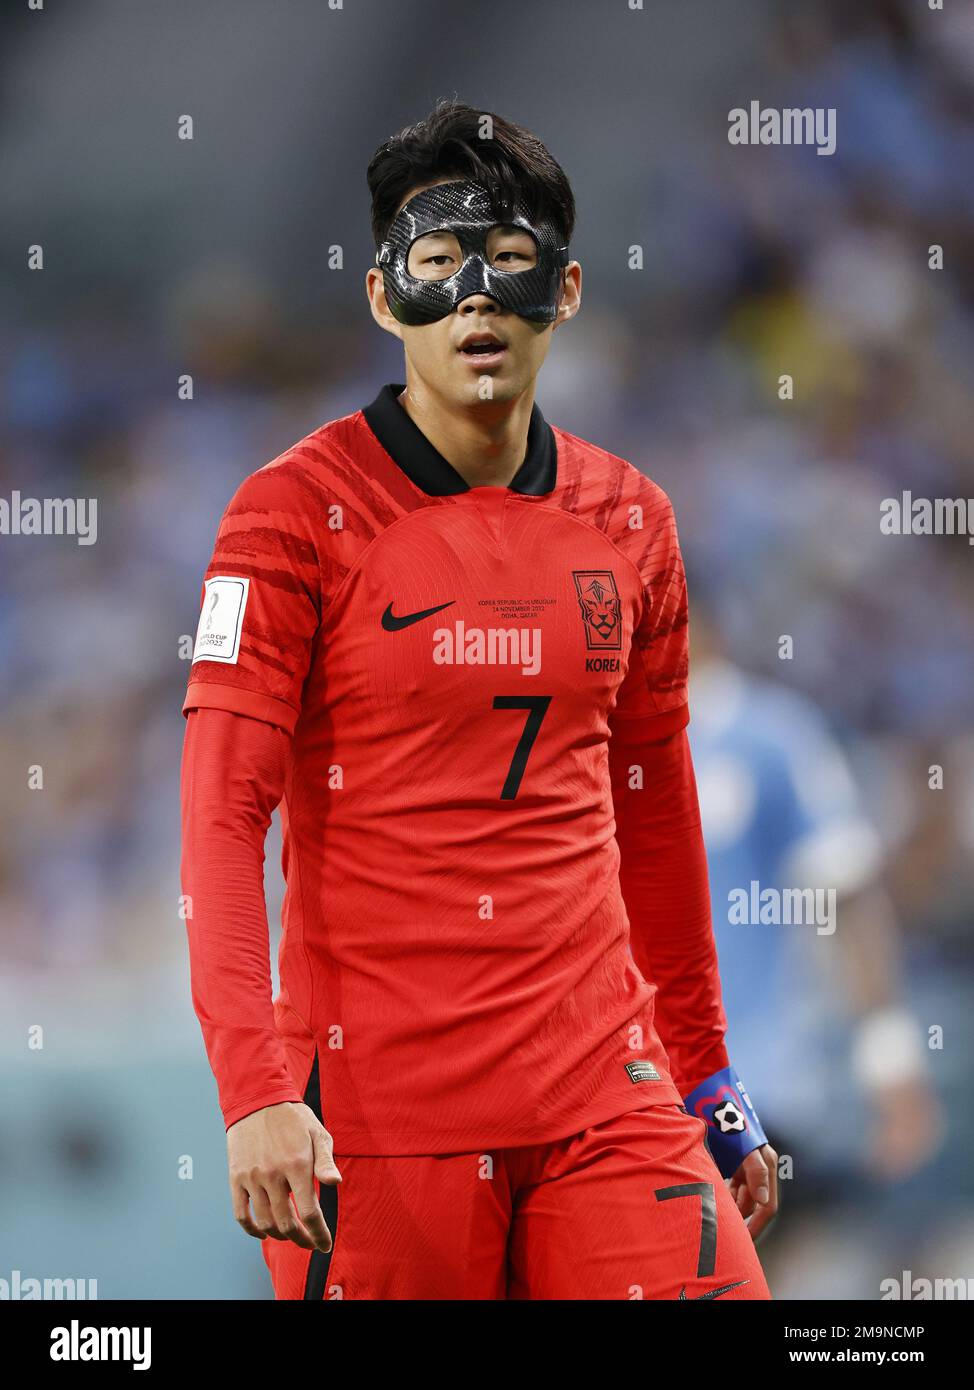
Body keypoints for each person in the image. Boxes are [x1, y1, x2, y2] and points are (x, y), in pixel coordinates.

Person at [179, 99, 776, 1300]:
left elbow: (650, 818)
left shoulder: (632, 523)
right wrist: (252, 1092)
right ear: (380, 297)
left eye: (506, 266)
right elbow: (221, 819)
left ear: (560, 291)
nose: (473, 304)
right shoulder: (284, 517)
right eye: (435, 265)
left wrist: (705, 1073)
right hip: (375, 1117)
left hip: (602, 1090)